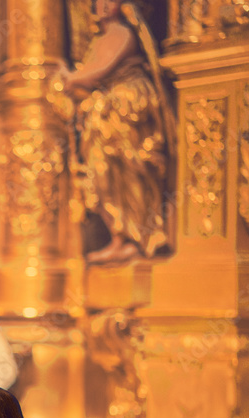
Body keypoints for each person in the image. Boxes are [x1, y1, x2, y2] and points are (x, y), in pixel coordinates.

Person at [59, 0, 173, 266]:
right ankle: (119, 238)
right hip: (105, 111)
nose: (105, 5)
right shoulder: (99, 39)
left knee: (129, 169)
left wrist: (72, 78)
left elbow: (101, 70)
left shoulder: (124, 33)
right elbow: (89, 72)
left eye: (112, 0)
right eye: (101, 1)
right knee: (102, 172)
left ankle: (138, 237)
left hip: (128, 105)